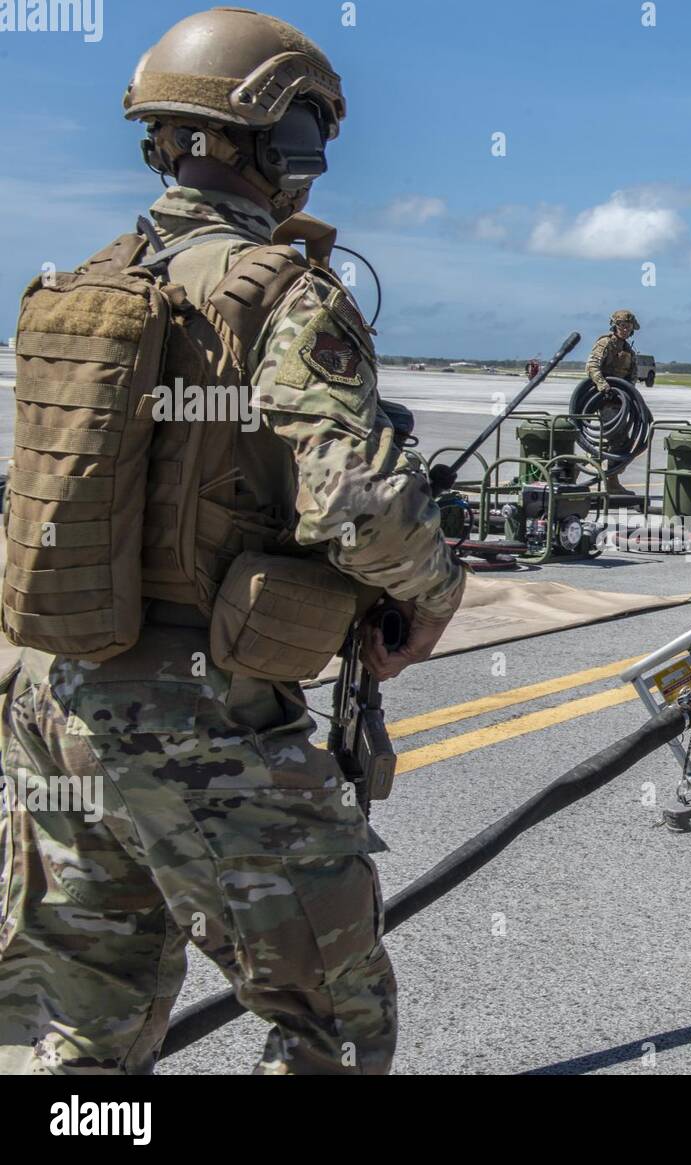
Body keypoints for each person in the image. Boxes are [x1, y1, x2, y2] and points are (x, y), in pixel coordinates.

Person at [0, 7, 464, 1075]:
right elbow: (360, 504)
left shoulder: (81, 284)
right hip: (195, 719)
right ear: (282, 140)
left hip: (52, 695)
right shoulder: (283, 296)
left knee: (75, 1026)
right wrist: (431, 598)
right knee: (334, 1024)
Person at [585, 309, 643, 495]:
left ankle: (608, 472)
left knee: (625, 443)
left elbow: (631, 377)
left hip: (621, 402)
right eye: (622, 326)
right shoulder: (606, 343)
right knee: (618, 439)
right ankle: (609, 478)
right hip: (604, 400)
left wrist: (628, 395)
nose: (625, 330)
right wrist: (603, 386)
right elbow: (592, 366)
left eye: (628, 327)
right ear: (615, 326)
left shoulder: (629, 351)